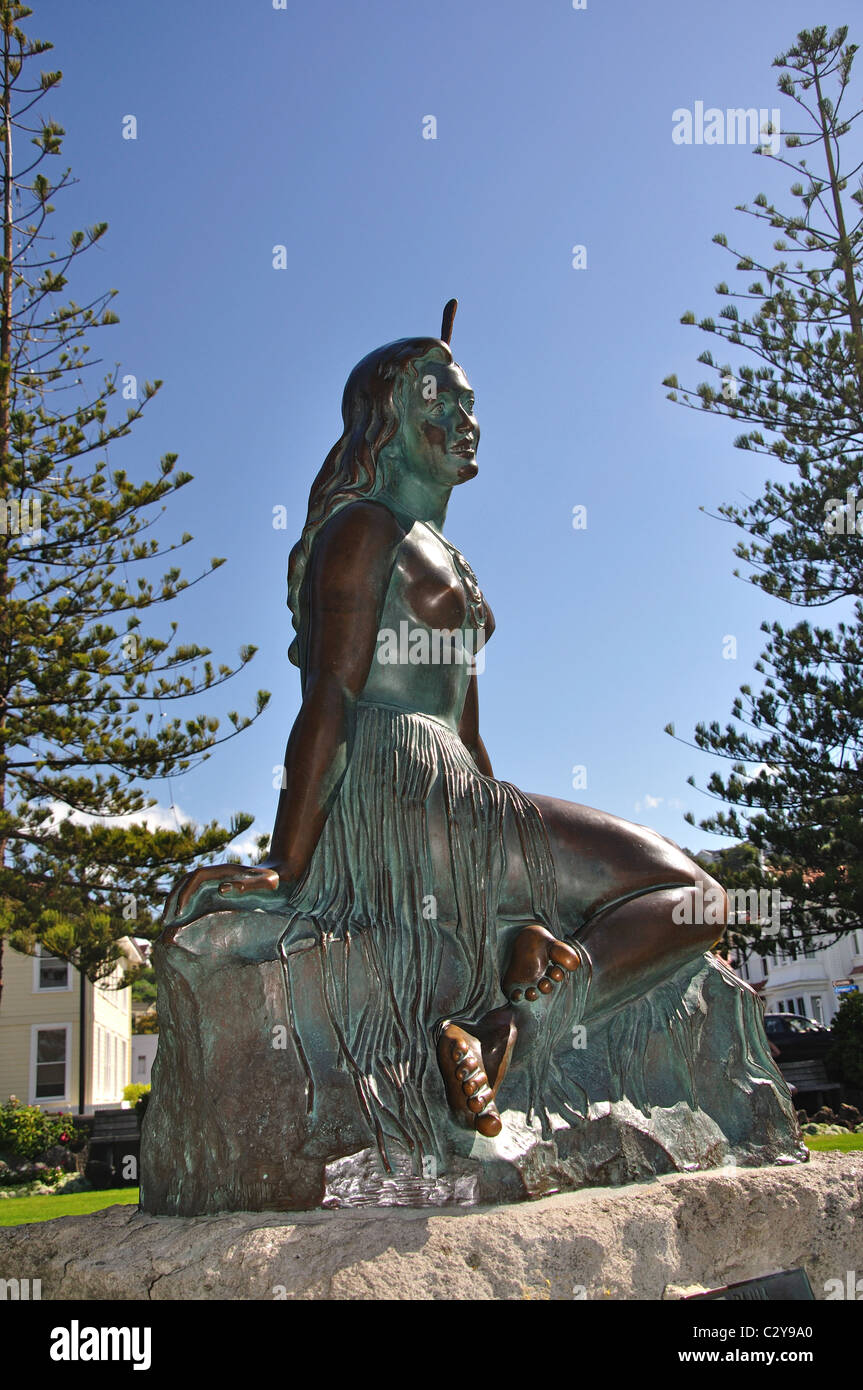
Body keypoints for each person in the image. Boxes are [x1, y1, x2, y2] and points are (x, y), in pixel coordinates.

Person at [165, 309, 726, 1146]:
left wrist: (519, 884)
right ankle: (514, 1024)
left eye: (470, 405)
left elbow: (468, 727)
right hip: (399, 789)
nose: (468, 423)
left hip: (461, 794)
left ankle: (510, 1019)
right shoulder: (362, 531)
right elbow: (329, 699)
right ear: (386, 428)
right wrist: (288, 862)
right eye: (444, 404)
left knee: (697, 903)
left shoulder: (446, 554)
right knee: (698, 899)